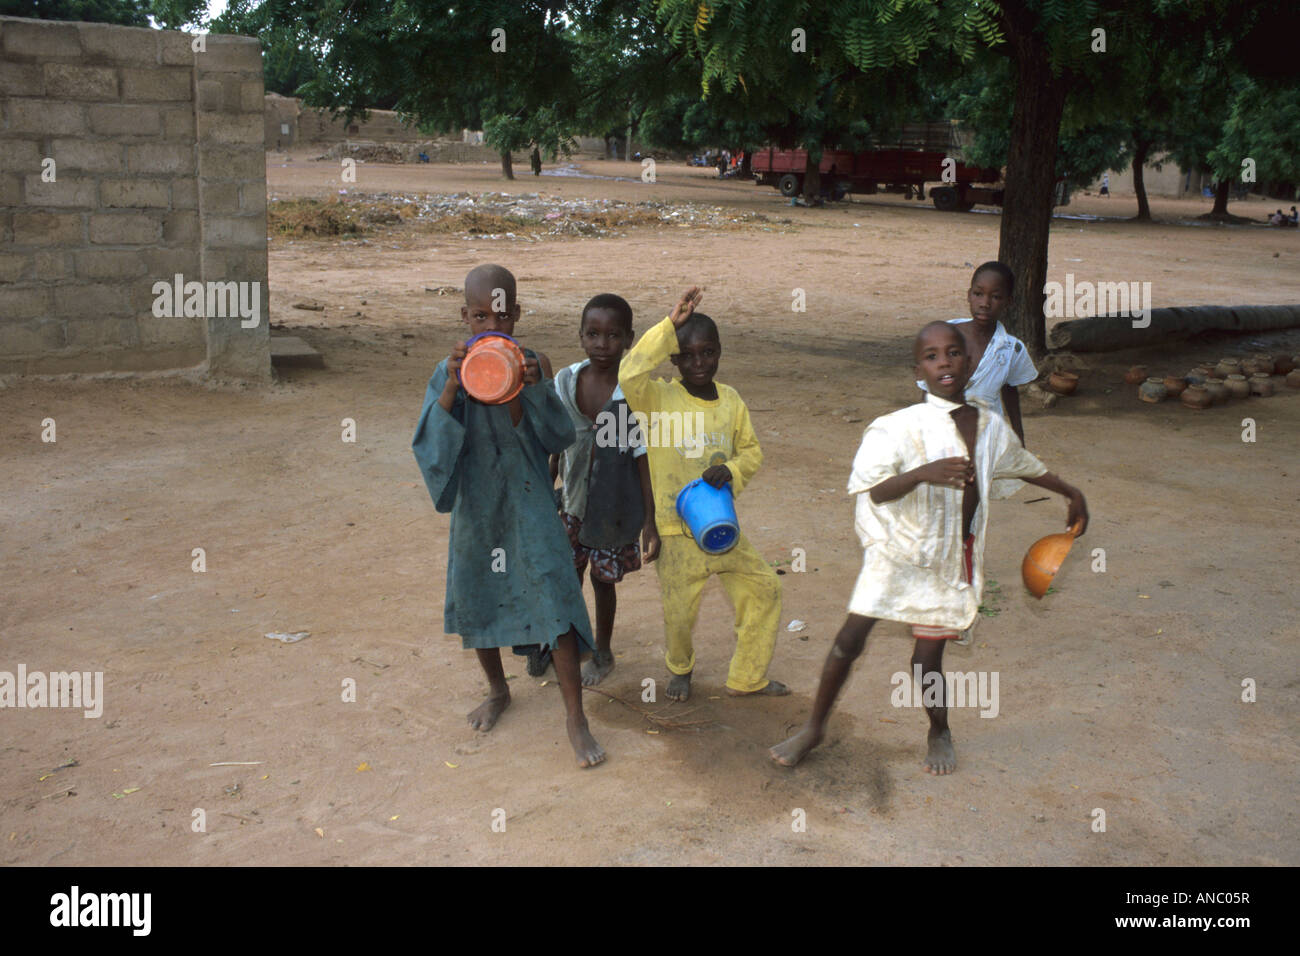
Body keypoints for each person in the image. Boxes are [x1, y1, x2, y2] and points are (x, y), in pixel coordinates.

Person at [770, 321, 1089, 775]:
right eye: (933, 356)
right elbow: (875, 491)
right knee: (849, 639)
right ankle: (814, 727)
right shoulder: (896, 428)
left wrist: (1069, 491)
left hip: (947, 558)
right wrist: (923, 473)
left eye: (954, 353)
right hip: (899, 549)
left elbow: (1022, 465)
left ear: (970, 361)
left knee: (927, 659)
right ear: (918, 368)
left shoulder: (989, 425)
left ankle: (939, 729)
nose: (945, 362)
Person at [411, 264, 605, 768]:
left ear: (516, 314)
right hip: (479, 504)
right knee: (480, 591)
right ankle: (498, 690)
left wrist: (529, 388)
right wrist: (454, 387)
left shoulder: (535, 363)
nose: (490, 328)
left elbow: (559, 437)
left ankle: (575, 717)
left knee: (555, 593)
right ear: (465, 316)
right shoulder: (447, 369)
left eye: (501, 316)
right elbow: (430, 445)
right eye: (479, 316)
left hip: (529, 501)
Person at [619, 287, 787, 702]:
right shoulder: (657, 399)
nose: (699, 363)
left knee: (765, 588)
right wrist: (668, 327)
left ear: (719, 352)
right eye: (687, 355)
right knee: (679, 614)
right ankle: (681, 668)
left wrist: (729, 469)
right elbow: (628, 373)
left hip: (722, 527)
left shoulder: (731, 401)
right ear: (673, 360)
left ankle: (748, 676)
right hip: (676, 534)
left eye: (708, 353)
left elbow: (751, 451)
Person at [551, 293, 660, 687]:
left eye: (613, 335)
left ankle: (603, 649)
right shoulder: (565, 382)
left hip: (613, 509)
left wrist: (650, 521)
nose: (602, 344)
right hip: (572, 505)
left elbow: (641, 458)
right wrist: (549, 489)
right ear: (580, 336)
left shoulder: (629, 394)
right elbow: (557, 442)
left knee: (603, 581)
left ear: (629, 339)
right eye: (593, 334)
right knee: (566, 578)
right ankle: (565, 645)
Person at [917, 261, 1037, 499]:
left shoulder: (1011, 349)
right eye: (978, 294)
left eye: (996, 296)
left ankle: (967, 536)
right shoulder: (944, 334)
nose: (985, 303)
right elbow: (926, 387)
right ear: (969, 295)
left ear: (1008, 302)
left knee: (973, 495)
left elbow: (1010, 389)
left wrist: (1019, 437)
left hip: (982, 434)